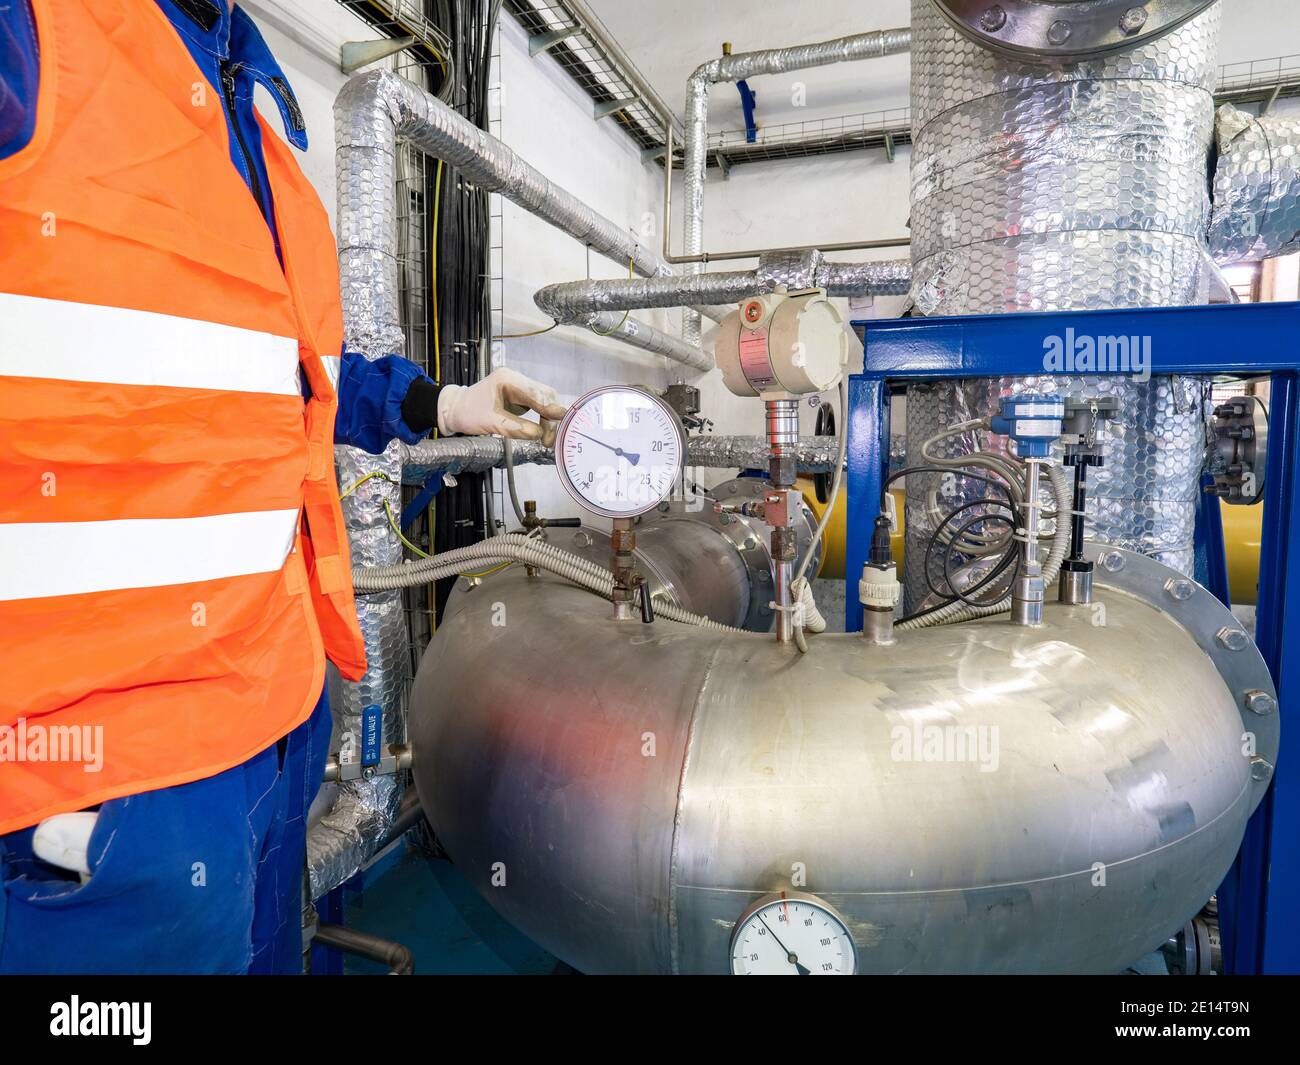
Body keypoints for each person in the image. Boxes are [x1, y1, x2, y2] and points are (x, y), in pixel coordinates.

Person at [0, 0, 565, 973]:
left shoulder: (246, 90)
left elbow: (284, 370)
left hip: (270, 701)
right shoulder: (39, 28)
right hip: (94, 756)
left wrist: (439, 402)